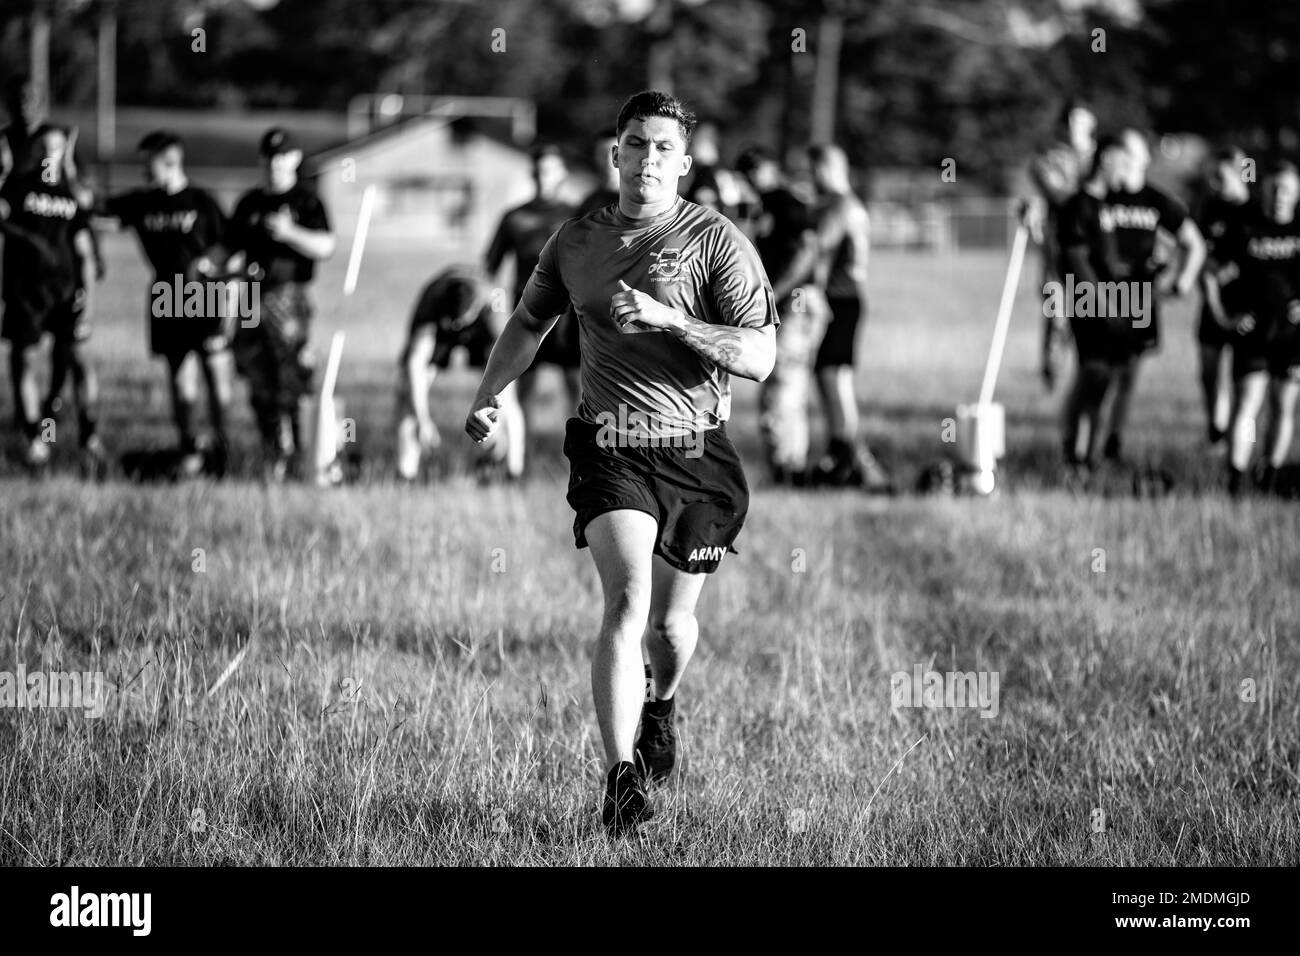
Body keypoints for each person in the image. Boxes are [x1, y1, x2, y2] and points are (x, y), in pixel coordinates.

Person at [465, 91, 777, 834]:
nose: (647, 158)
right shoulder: (575, 241)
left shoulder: (716, 240)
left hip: (696, 452)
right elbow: (528, 322)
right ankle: (620, 777)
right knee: (625, 602)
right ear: (615, 154)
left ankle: (662, 707)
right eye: (636, 143)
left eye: (664, 147)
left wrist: (671, 317)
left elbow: (761, 356)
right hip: (610, 447)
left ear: (685, 163)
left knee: (669, 630)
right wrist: (488, 394)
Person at [99, 131, 233, 476]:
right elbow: (94, 209)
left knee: (217, 375)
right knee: (179, 378)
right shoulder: (142, 202)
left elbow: (230, 246)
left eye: (149, 165)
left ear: (171, 162)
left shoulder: (203, 202)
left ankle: (223, 449)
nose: (143, 171)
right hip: (165, 292)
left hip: (206, 293)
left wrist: (211, 265)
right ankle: (189, 447)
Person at [227, 127, 336, 479]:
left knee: (293, 379)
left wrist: (290, 233)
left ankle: (305, 456)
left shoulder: (307, 201)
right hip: (250, 296)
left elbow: (325, 246)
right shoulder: (248, 204)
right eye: (270, 156)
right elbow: (229, 250)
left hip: (291, 297)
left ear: (294, 159)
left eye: (282, 156)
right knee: (259, 382)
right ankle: (273, 453)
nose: (275, 163)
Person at [0, 124, 105, 472]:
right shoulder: (17, 188)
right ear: (33, 151)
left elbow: (86, 253)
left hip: (65, 295)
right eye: (43, 148)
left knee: (76, 364)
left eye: (57, 149)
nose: (49, 155)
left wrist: (87, 305)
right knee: (26, 363)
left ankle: (86, 437)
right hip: (25, 295)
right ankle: (36, 441)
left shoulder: (72, 196)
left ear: (66, 154)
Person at [1098, 128, 1205, 461]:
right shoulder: (1101, 196)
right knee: (1097, 373)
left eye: (1134, 152)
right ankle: (1081, 445)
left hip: (1140, 298)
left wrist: (1182, 280)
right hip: (1097, 296)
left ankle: (1113, 441)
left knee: (1127, 375)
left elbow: (1194, 244)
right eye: (1122, 153)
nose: (1128, 160)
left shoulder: (1158, 201)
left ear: (1144, 158)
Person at [736, 144, 827, 484]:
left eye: (754, 171)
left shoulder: (786, 201)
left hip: (799, 302)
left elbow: (807, 251)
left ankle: (789, 467)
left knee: (783, 384)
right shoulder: (768, 204)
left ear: (769, 168)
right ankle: (789, 464)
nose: (751, 180)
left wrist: (775, 290)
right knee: (787, 385)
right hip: (792, 301)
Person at [806, 143, 892, 491]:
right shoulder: (851, 204)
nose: (811, 180)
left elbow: (817, 246)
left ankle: (849, 452)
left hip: (841, 301)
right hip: (847, 299)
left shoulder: (840, 207)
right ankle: (842, 450)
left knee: (833, 377)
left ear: (826, 168)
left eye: (813, 171)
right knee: (831, 375)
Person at [1212, 161, 1300, 495]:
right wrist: (1225, 315)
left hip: (1292, 337)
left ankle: (1271, 473)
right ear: (1262, 190)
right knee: (1248, 403)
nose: (1280, 196)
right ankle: (1238, 473)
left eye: (1287, 190)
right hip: (1253, 333)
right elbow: (1212, 273)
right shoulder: (1244, 229)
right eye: (1274, 188)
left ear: (1297, 195)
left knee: (1283, 405)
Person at [485, 143, 578, 449]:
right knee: (521, 388)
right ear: (531, 174)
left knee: (576, 387)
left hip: (569, 318)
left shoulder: (576, 215)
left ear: (562, 174)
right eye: (538, 171)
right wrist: (497, 313)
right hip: (528, 316)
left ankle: (578, 455)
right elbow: (490, 271)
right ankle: (518, 456)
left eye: (549, 170)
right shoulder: (514, 217)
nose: (543, 177)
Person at [396, 265, 524, 481]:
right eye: (453, 323)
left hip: (483, 328)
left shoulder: (495, 303)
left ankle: (513, 469)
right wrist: (422, 419)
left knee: (508, 400)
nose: (457, 327)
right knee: (406, 394)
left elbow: (505, 366)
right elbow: (416, 363)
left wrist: (495, 421)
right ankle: (405, 472)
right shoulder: (432, 299)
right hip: (440, 322)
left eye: (460, 323)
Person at [1056, 135, 1134, 468]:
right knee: (1094, 378)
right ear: (1105, 161)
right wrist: (1105, 306)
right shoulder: (1079, 205)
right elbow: (1076, 260)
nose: (1129, 172)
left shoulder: (1106, 205)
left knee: (1104, 382)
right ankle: (1078, 458)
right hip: (1092, 306)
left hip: (1116, 303)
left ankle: (1088, 455)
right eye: (1124, 163)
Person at [1025, 100, 1097, 391]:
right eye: (1069, 121)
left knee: (1091, 317)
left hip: (1096, 254)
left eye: (1080, 120)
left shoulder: (1104, 157)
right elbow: (1061, 196)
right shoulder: (1048, 160)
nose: (1073, 127)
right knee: (1057, 315)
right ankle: (1052, 373)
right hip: (1059, 253)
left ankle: (1087, 378)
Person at [1194, 146, 1252, 449]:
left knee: (1246, 385)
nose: (1216, 181)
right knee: (1208, 372)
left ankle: (1241, 441)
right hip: (1213, 302)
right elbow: (1199, 253)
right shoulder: (1209, 207)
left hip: (1247, 307)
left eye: (1222, 174)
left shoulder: (1253, 211)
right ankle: (1215, 428)